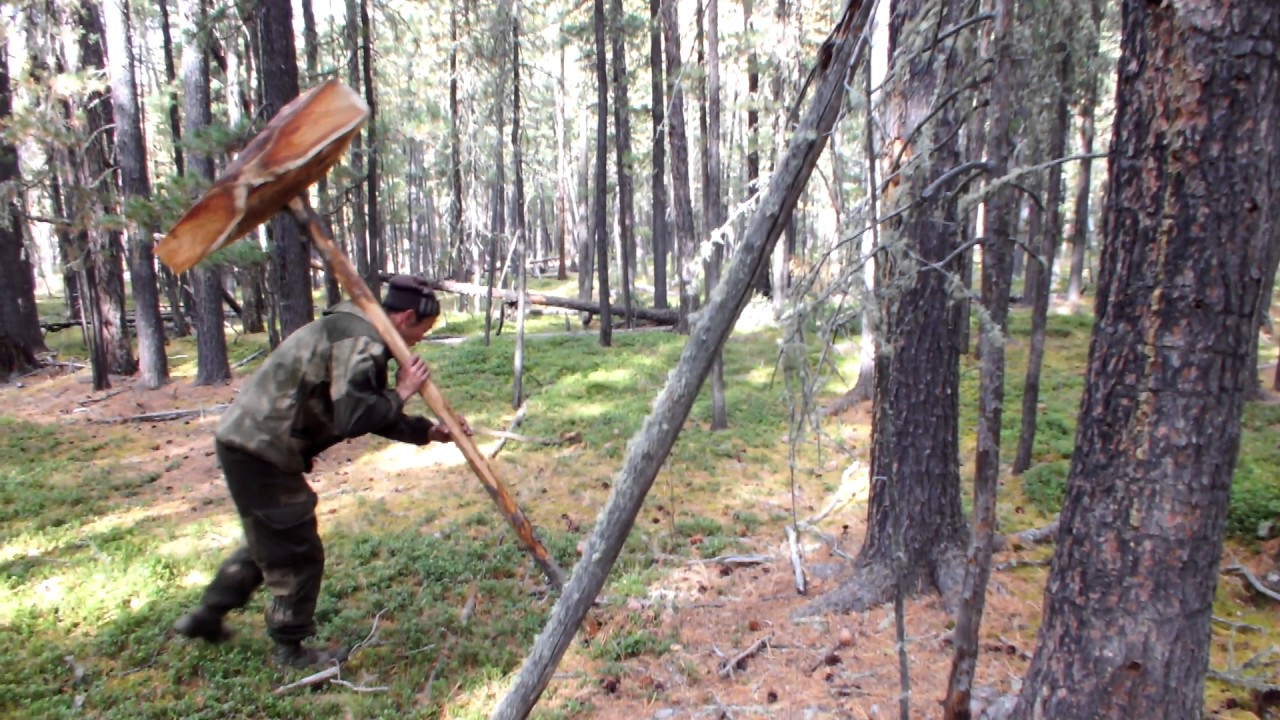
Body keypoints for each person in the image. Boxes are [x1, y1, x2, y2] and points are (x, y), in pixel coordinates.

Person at [174, 274, 468, 669]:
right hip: (261, 447)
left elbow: (367, 409)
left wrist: (429, 432)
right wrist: (402, 391)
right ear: (406, 317)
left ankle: (207, 616)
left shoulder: (360, 330)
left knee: (269, 539)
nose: (418, 342)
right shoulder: (360, 339)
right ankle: (290, 651)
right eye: (421, 331)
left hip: (247, 441)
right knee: (298, 552)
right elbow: (355, 416)